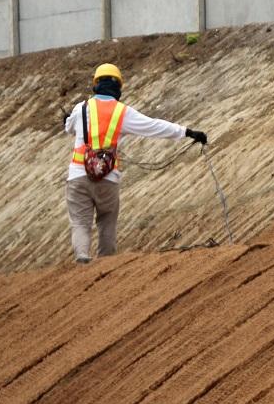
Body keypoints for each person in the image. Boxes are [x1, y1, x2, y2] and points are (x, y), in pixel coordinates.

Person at [62, 63, 207, 263]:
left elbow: (68, 127)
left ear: (96, 85)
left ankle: (82, 258)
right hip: (108, 178)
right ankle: (105, 264)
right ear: (118, 88)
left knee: (80, 222)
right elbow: (154, 126)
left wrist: (67, 121)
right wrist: (187, 132)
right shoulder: (123, 112)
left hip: (78, 176)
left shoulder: (81, 108)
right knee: (107, 221)